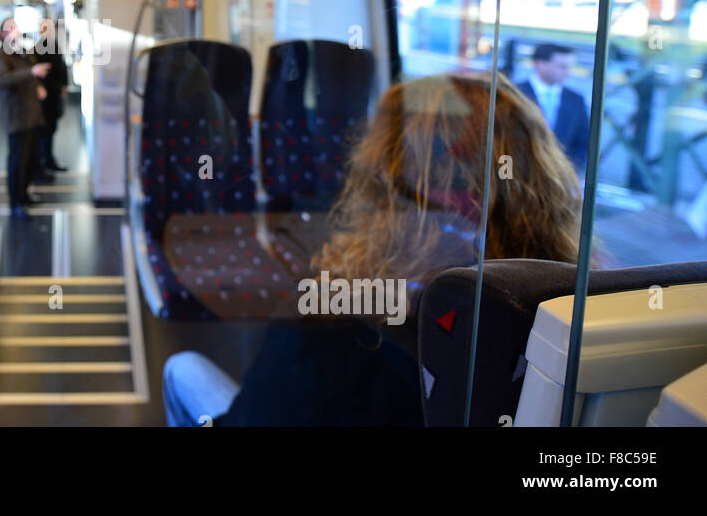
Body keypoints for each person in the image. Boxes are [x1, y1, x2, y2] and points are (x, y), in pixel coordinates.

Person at [163, 73, 584, 426]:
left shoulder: (333, 314)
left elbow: (257, 417)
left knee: (182, 370)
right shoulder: (566, 302)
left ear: (384, 180)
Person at [0, 18, 49, 210]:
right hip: (16, 116)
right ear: (4, 34)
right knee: (16, 160)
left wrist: (38, 87)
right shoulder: (1, 55)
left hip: (30, 114)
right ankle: (15, 201)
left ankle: (24, 194)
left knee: (28, 159)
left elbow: (29, 75)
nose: (16, 31)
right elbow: (4, 79)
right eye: (12, 28)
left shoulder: (21, 52)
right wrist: (32, 73)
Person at [517, 43, 590, 172]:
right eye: (562, 67)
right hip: (517, 177)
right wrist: (505, 177)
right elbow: (500, 143)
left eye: (569, 67)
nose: (568, 72)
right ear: (540, 64)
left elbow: (583, 143)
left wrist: (569, 175)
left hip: (557, 180)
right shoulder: (513, 94)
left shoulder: (576, 100)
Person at [33, 18, 70, 173]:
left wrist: (64, 84)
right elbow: (42, 75)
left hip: (54, 95)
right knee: (45, 130)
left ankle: (48, 160)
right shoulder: (39, 48)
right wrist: (57, 86)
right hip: (47, 97)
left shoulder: (53, 45)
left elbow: (61, 67)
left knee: (51, 127)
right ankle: (43, 163)